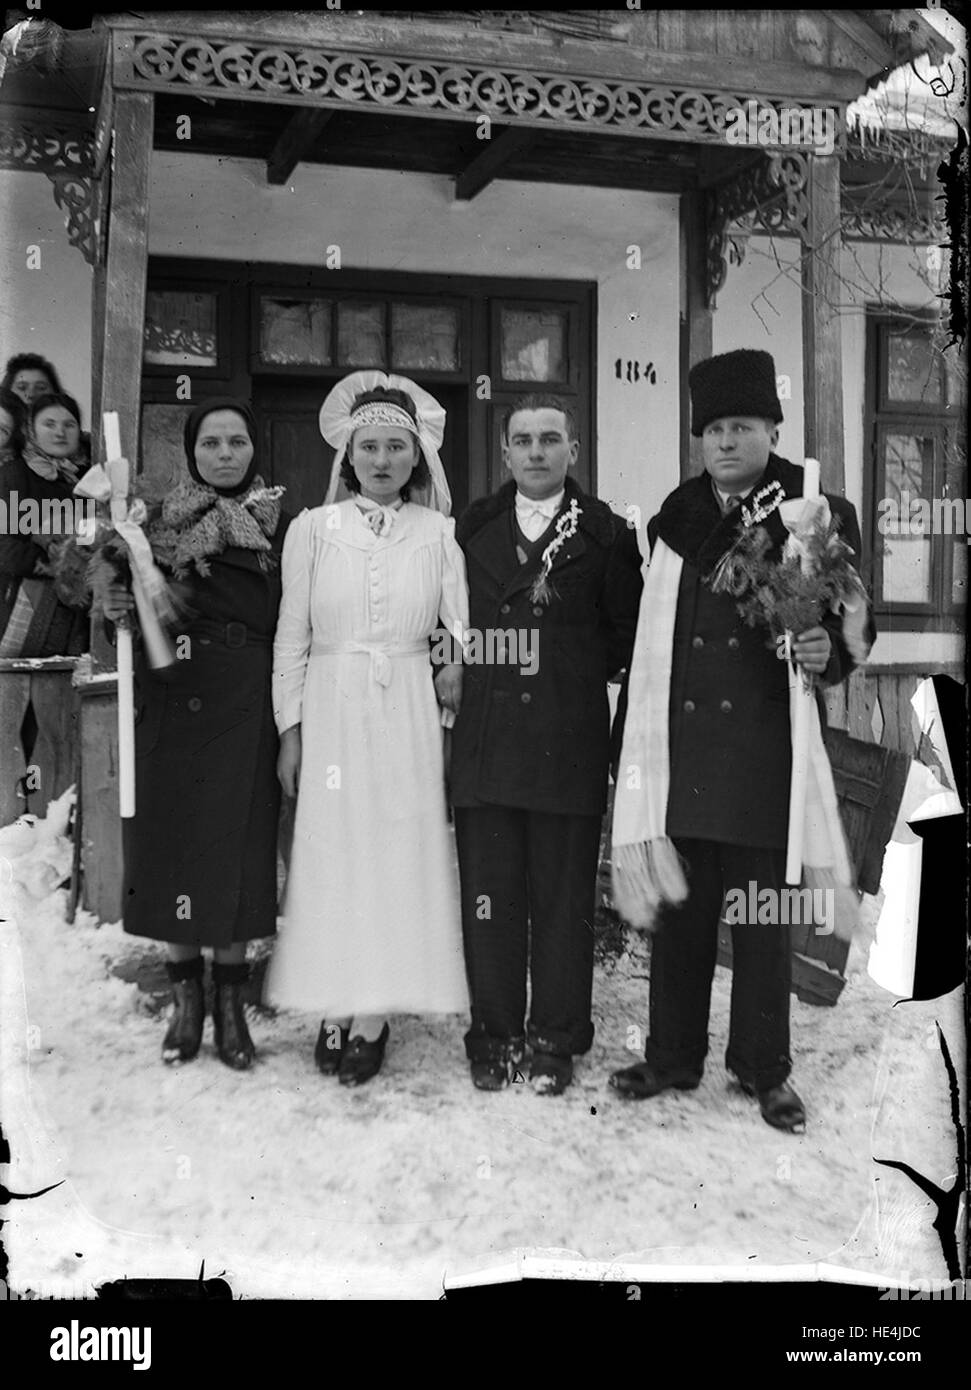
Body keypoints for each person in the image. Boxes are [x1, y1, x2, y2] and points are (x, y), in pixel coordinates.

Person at [610, 348, 874, 1133]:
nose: (726, 442)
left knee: (761, 918)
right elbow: (649, 641)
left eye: (743, 426)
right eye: (714, 429)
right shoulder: (678, 515)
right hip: (683, 749)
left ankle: (765, 1069)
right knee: (681, 913)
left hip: (767, 747)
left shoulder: (812, 506)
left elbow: (855, 624)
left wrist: (832, 650)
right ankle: (671, 1055)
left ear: (771, 427)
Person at [267, 371, 469, 1086]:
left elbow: (461, 632)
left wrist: (450, 672)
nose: (381, 460)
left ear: (416, 460)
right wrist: (290, 730)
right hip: (331, 702)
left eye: (395, 448)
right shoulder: (310, 531)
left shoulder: (440, 533)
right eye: (369, 448)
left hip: (408, 707)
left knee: (395, 848)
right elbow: (291, 635)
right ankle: (333, 997)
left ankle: (375, 1008)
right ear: (347, 458)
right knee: (333, 850)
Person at [448, 393, 643, 1095]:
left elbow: (625, 634)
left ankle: (555, 1038)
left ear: (573, 451)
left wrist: (565, 667)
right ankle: (493, 1034)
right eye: (522, 440)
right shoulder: (470, 528)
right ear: (503, 452)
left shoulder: (606, 534)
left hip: (566, 740)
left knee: (563, 904)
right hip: (486, 742)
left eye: (549, 439)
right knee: (489, 899)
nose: (535, 451)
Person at [100, 398, 290, 1070]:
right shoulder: (150, 526)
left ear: (253, 451)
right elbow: (118, 614)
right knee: (172, 842)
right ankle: (188, 1000)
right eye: (211, 442)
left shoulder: (280, 525)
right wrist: (116, 604)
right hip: (170, 690)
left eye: (237, 441)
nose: (225, 453)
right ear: (191, 451)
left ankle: (231, 1003)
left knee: (236, 843)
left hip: (245, 699)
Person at [0, 391, 91, 657]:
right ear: (31, 429)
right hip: (19, 604)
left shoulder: (89, 480)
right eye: (49, 424)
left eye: (69, 425)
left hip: (75, 611)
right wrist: (59, 562)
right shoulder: (14, 475)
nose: (60, 432)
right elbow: (3, 547)